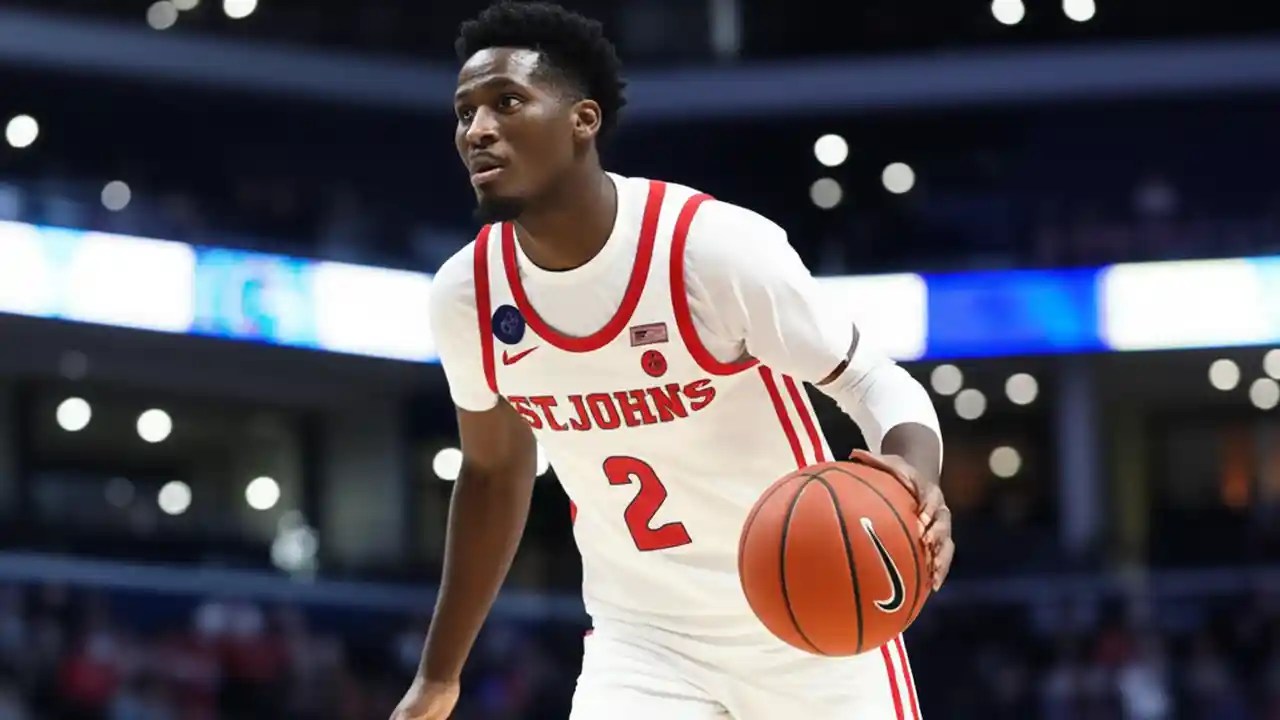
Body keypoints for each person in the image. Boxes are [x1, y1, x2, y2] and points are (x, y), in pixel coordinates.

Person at [393, 3, 954, 718]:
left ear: (583, 120)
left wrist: (916, 484)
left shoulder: (709, 249)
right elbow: (495, 472)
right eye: (464, 111)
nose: (478, 129)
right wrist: (438, 676)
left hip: (813, 624)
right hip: (644, 645)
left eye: (507, 102)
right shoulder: (467, 295)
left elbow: (877, 381)